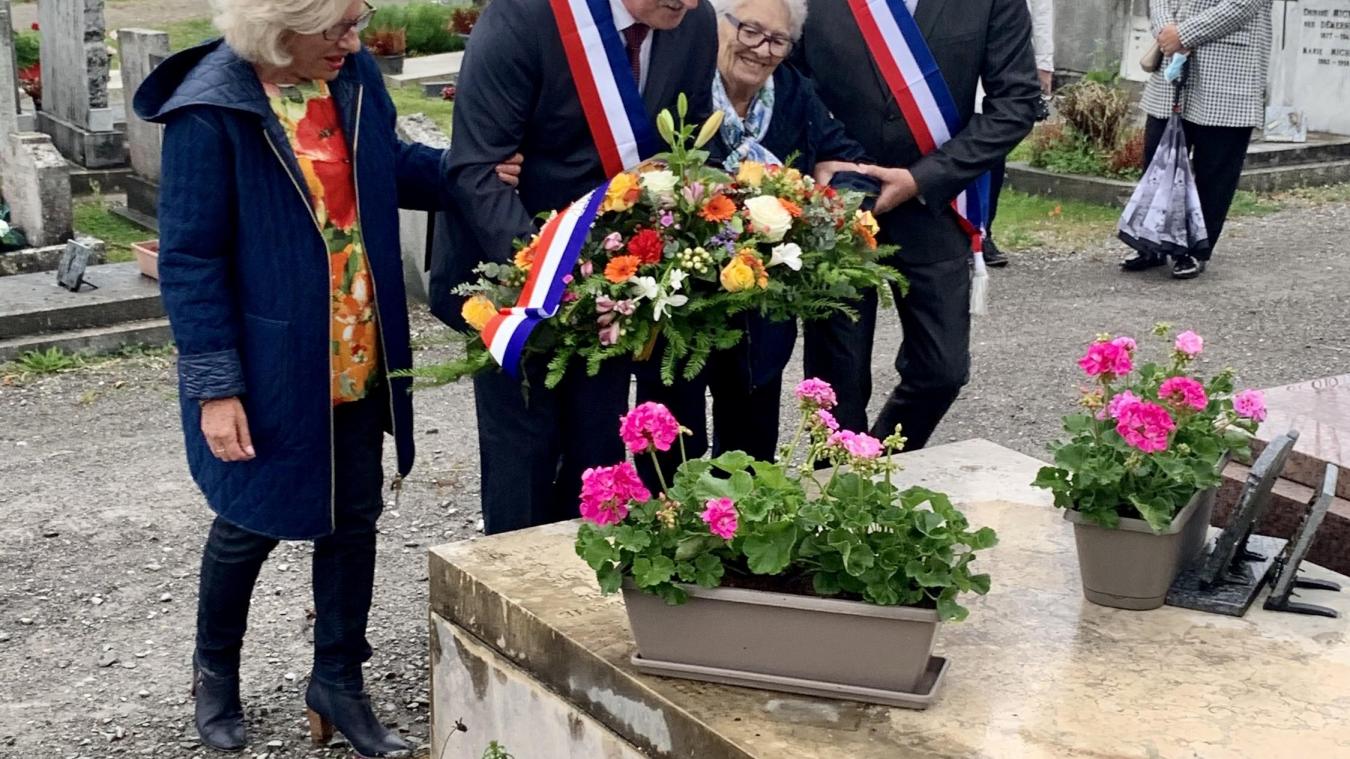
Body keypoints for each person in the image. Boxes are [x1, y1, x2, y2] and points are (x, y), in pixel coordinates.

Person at [135, 1, 454, 754]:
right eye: (337, 26)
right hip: (271, 367)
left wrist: (470, 169)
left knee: (354, 518)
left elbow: (384, 164)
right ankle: (215, 672)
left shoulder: (353, 77)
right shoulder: (212, 110)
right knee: (250, 520)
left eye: (358, 19)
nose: (356, 40)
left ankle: (337, 680)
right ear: (279, 27)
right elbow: (190, 260)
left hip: (358, 346)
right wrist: (216, 387)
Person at [428, 0, 718, 534]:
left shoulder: (691, 22)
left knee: (596, 453)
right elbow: (477, 170)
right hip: (513, 277)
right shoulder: (524, 16)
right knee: (523, 460)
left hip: (615, 287)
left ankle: (587, 579)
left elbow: (694, 144)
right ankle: (512, 582)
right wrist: (551, 280)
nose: (692, 3)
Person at [636, 0, 900, 468]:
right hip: (685, 307)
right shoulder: (681, 85)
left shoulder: (795, 93)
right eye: (750, 30)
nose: (762, 50)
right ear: (719, 26)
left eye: (778, 40)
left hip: (761, 308)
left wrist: (823, 195)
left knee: (750, 454)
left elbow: (851, 164)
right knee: (672, 446)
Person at [795, 0, 1040, 450]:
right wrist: (819, 155)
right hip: (838, 201)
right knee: (836, 380)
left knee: (942, 371)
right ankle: (836, 484)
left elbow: (1017, 102)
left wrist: (922, 179)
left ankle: (877, 459)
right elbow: (785, 76)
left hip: (935, 201)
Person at [1127, 0, 1272, 279]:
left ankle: (1195, 248)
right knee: (1158, 159)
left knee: (1215, 168)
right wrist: (1166, 32)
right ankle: (1150, 242)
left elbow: (1242, 5)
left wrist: (1184, 34)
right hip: (1171, 63)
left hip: (1228, 68)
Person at [983, 0, 1056, 268]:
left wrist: (1043, 62)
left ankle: (983, 232)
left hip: (1008, 52)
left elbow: (1041, 6)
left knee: (992, 149)